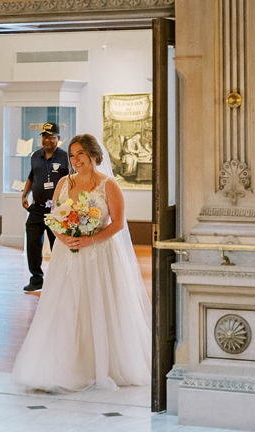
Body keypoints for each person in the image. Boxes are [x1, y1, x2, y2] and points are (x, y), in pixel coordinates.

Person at [13, 133, 151, 392]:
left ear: (94, 156)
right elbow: (54, 217)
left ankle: (101, 365)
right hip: (67, 253)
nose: (75, 159)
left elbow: (118, 224)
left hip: (99, 254)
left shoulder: (108, 185)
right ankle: (65, 363)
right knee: (66, 305)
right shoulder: (64, 182)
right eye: (72, 155)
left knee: (97, 304)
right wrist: (63, 236)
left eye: (81, 154)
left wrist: (90, 239)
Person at [20, 122, 69, 293]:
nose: (47, 140)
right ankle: (36, 279)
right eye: (44, 136)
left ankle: (59, 280)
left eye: (51, 136)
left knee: (58, 245)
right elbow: (31, 176)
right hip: (37, 207)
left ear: (58, 138)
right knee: (32, 243)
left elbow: (72, 181)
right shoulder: (35, 156)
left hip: (57, 210)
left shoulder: (65, 157)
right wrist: (24, 194)